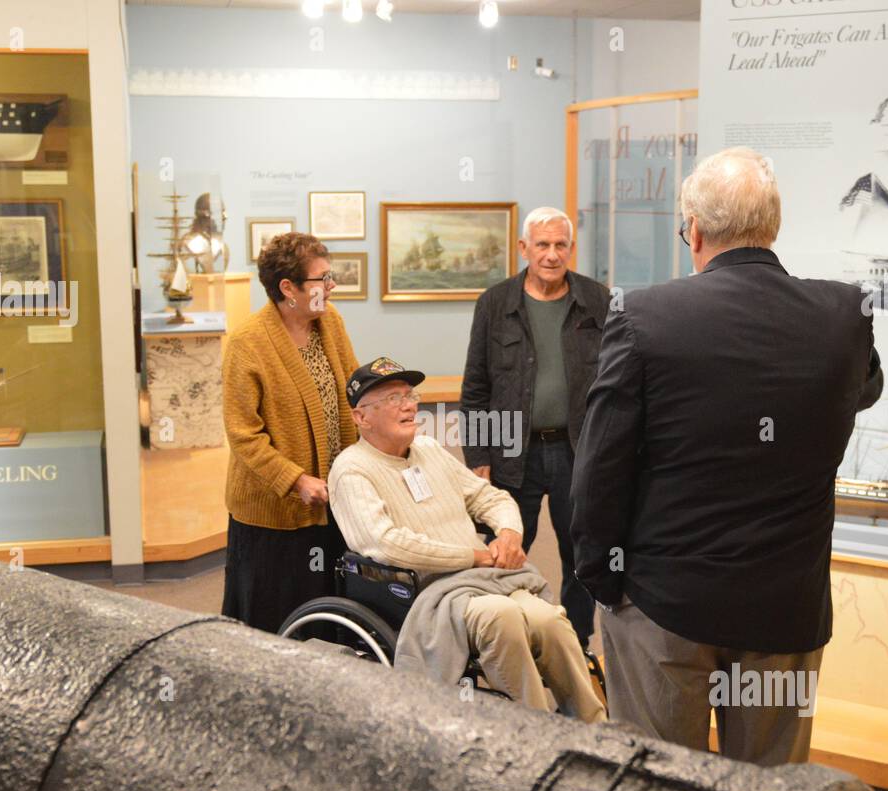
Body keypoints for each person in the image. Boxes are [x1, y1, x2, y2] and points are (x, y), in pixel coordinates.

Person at [570, 147, 884, 765]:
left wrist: (603, 584)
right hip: (785, 607)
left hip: (664, 604)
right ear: (774, 227)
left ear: (693, 229)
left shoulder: (642, 316)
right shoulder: (846, 313)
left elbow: (600, 468)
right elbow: (863, 391)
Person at [328, 357, 607, 723]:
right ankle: (539, 733)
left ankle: (595, 729)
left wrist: (509, 533)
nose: (410, 405)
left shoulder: (427, 450)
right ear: (361, 417)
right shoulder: (352, 470)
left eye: (409, 395)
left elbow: (487, 497)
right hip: (426, 594)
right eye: (393, 399)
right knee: (503, 617)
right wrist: (473, 557)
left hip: (485, 580)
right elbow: (388, 543)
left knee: (549, 620)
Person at [461, 207, 611, 648]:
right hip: (511, 450)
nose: (551, 254)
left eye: (560, 245)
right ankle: (504, 640)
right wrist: (478, 459)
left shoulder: (597, 299)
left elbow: (615, 383)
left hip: (576, 450)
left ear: (571, 248)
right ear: (523, 249)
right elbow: (476, 388)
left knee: (583, 556)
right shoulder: (495, 302)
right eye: (542, 245)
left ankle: (575, 644)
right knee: (503, 551)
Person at [221, 231, 360, 633]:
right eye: (322, 279)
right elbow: (243, 434)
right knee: (274, 619)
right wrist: (295, 480)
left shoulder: (330, 322)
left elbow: (353, 387)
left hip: (331, 501)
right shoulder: (247, 343)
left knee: (327, 611)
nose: (331, 287)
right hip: (272, 516)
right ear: (288, 288)